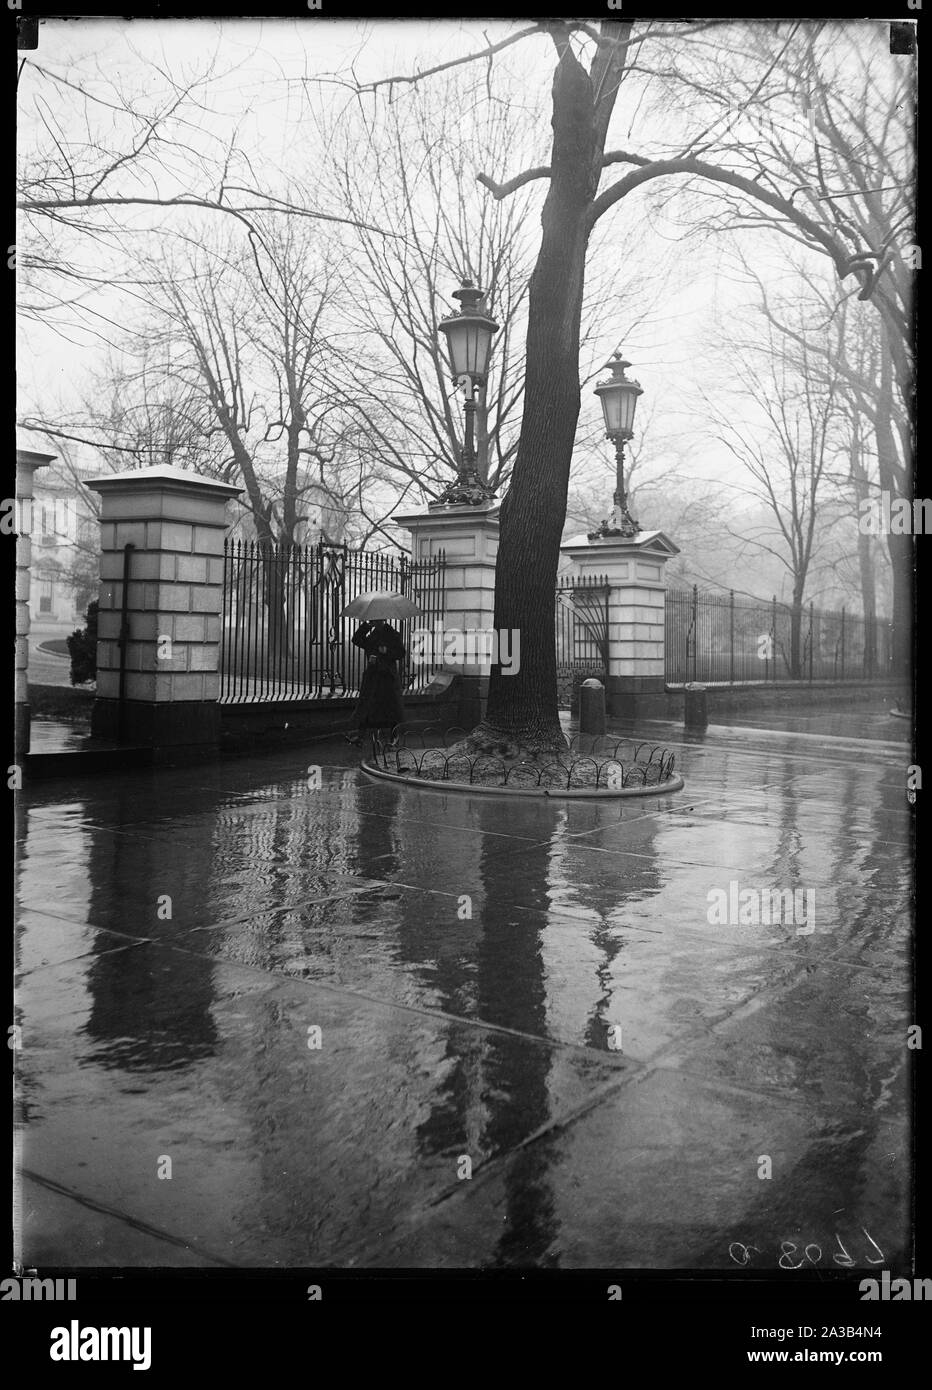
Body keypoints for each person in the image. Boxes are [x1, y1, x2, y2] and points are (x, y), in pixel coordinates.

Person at [347, 619, 406, 748]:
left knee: (390, 707)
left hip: (387, 677)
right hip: (373, 676)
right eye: (373, 620)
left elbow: (401, 653)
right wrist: (366, 626)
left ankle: (394, 736)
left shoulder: (392, 634)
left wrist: (387, 651)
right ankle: (360, 736)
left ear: (382, 620)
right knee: (366, 705)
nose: (375, 622)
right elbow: (356, 639)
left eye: (376, 620)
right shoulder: (371, 635)